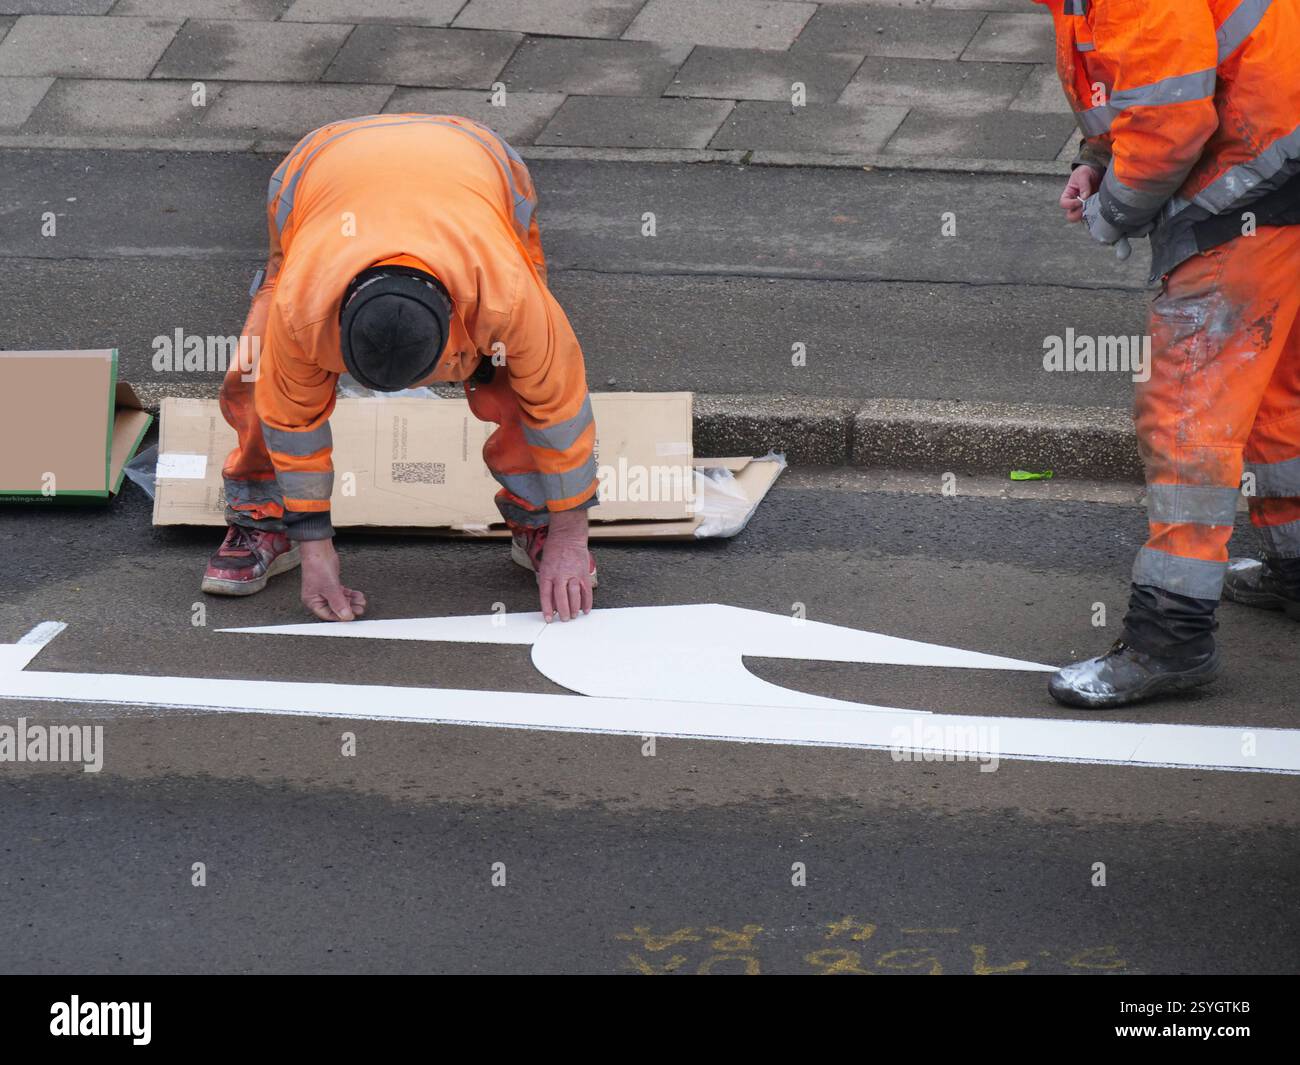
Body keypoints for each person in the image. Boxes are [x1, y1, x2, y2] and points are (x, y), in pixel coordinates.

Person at [201, 114, 598, 623]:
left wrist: (571, 535)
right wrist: (315, 547)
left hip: (476, 156)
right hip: (320, 163)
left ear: (456, 322)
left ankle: (540, 520)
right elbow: (292, 421)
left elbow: (558, 406)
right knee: (261, 369)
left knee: (517, 378)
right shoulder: (302, 306)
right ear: (337, 323)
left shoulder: (506, 298)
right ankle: (265, 515)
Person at [1038, 0, 1300, 707]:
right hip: (1284, 170)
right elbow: (1145, 85)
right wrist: (1097, 158)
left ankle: (1170, 641)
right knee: (1277, 389)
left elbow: (1171, 120)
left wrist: (1116, 208)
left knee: (1186, 413)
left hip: (1253, 181)